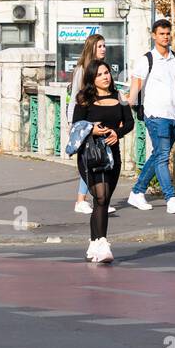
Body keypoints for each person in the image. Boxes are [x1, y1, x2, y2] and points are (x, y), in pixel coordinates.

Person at [127, 19, 175, 214]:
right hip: (155, 115)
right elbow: (136, 84)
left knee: (158, 155)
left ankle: (137, 192)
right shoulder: (147, 59)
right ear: (154, 35)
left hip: (172, 116)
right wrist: (128, 100)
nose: (165, 37)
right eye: (161, 33)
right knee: (163, 157)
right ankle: (171, 198)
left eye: (167, 33)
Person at [72, 60, 134, 264]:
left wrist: (117, 132)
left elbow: (130, 123)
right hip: (90, 155)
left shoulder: (120, 96)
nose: (105, 77)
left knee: (103, 201)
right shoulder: (83, 99)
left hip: (112, 155)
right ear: (92, 79)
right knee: (101, 195)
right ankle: (103, 243)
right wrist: (92, 129)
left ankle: (93, 243)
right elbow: (76, 125)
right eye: (99, 74)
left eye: (107, 72)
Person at [70, 34, 113, 216]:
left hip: (99, 120)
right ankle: (82, 200)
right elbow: (75, 96)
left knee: (98, 159)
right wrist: (73, 124)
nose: (103, 49)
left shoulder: (102, 69)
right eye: (99, 46)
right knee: (90, 159)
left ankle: (98, 199)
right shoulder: (82, 69)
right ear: (92, 48)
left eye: (104, 45)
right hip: (85, 121)